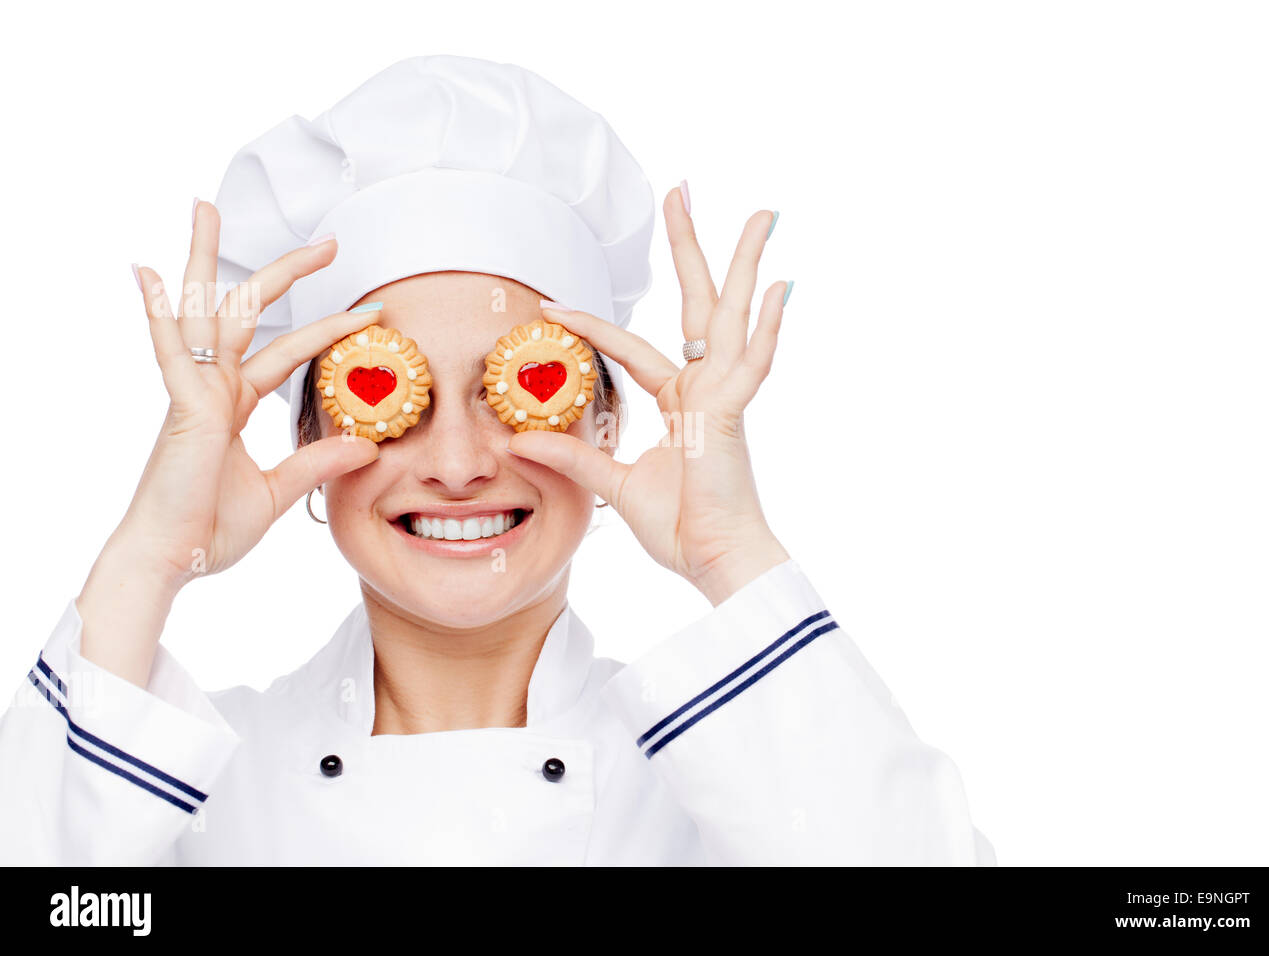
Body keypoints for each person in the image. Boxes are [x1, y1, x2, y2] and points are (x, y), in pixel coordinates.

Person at [0, 55, 994, 865]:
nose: (461, 460)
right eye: (392, 396)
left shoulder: (728, 777)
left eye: (517, 389)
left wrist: (730, 549)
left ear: (607, 426)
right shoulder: (191, 789)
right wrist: (149, 555)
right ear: (306, 440)